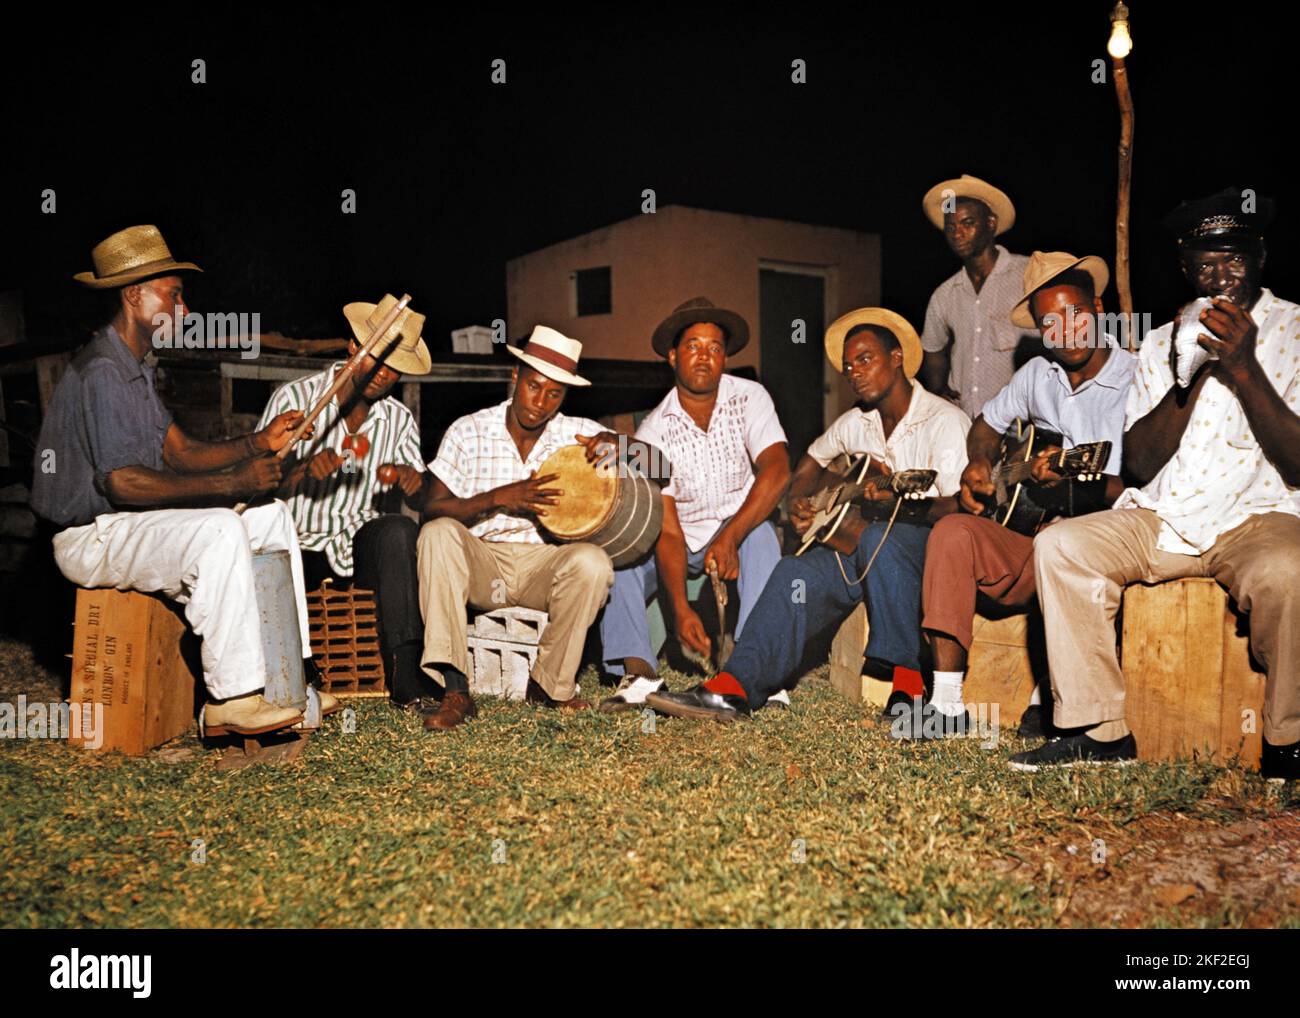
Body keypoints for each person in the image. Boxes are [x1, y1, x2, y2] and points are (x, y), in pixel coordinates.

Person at [1012, 189, 1300, 781]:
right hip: (1164, 515)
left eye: (1232, 259)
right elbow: (1139, 463)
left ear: (1261, 255)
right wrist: (1187, 374)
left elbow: (1297, 463)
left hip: (1256, 515)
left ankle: (1287, 744)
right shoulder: (1164, 338)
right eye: (1203, 265)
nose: (1218, 277)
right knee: (1061, 546)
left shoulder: (1295, 329)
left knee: (1289, 570)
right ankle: (1098, 731)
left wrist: (1242, 367)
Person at [31, 224, 333, 736]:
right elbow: (123, 484)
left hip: (123, 524)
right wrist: (235, 482)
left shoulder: (134, 366)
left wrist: (259, 443)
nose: (185, 310)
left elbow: (182, 451)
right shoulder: (102, 371)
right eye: (174, 295)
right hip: (89, 537)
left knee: (271, 517)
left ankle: (288, 680)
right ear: (133, 296)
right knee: (217, 529)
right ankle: (232, 699)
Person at [647, 308, 970, 721]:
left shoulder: (944, 421)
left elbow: (960, 508)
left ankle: (908, 685)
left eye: (865, 359)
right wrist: (803, 502)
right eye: (848, 366)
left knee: (876, 539)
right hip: (862, 553)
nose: (854, 372)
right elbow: (807, 465)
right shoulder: (857, 422)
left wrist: (904, 505)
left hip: (926, 555)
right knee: (792, 574)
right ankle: (733, 687)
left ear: (896, 358)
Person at [918, 252, 1134, 740]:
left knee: (1066, 543)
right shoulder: (1037, 375)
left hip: (1106, 540)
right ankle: (946, 703)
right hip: (1030, 538)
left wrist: (1079, 488)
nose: (1065, 331)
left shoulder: (1136, 378)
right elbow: (985, 426)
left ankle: (1050, 697)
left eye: (1075, 314)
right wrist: (979, 462)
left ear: (1098, 309)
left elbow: (1143, 480)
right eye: (1049, 322)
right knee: (952, 531)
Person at [415, 326, 622, 731]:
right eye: (534, 386)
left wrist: (620, 444)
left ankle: (549, 688)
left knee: (592, 562)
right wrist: (497, 498)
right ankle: (456, 691)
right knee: (437, 533)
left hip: (542, 565)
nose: (540, 402)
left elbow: (662, 467)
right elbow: (431, 508)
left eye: (554, 393)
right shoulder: (468, 430)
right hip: (480, 559)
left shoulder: (577, 435)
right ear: (515, 376)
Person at [598, 297, 788, 711]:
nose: (705, 356)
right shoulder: (653, 432)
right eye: (693, 346)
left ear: (725, 357)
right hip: (680, 538)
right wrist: (681, 608)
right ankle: (639, 675)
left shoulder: (750, 397)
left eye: (715, 347)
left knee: (764, 541)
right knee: (619, 560)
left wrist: (732, 536)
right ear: (672, 356)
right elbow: (667, 528)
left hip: (739, 524)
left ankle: (759, 673)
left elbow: (777, 471)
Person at [259, 293, 434, 714]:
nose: (384, 373)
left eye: (396, 367)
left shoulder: (398, 420)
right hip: (302, 541)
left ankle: (405, 675)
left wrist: (415, 485)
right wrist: (302, 474)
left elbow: (425, 496)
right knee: (277, 557)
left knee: (399, 530)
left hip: (359, 544)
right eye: (377, 357)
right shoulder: (295, 400)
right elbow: (257, 488)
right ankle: (300, 675)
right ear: (354, 347)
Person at [920, 174, 1036, 419]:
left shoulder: (1028, 275)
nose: (957, 233)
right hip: (967, 425)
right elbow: (933, 350)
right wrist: (938, 392)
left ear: (991, 223)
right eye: (950, 227)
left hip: (1022, 426)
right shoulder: (945, 294)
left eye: (967, 223)